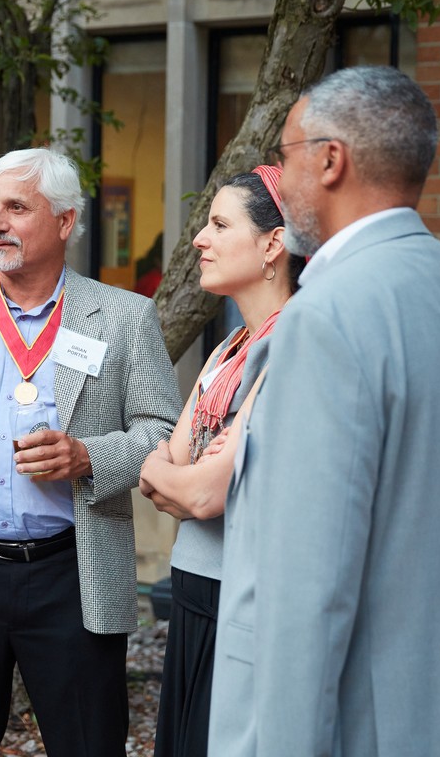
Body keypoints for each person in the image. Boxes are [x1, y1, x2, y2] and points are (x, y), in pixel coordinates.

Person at [209, 66, 440, 756]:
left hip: (349, 725)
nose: (279, 177)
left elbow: (304, 591)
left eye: (287, 154)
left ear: (331, 160)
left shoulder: (324, 318)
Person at [0, 147, 181, 757]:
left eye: (17, 207)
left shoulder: (123, 317)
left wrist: (89, 457)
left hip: (70, 573)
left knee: (87, 743)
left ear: (66, 222)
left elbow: (163, 431)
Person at [139, 165, 303, 757]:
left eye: (219, 223)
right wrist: (183, 472)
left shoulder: (290, 345)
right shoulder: (230, 347)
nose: (199, 240)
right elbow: (167, 470)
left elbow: (200, 494)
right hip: (193, 583)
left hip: (242, 595)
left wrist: (181, 476)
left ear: (272, 244)